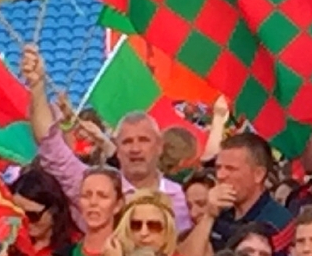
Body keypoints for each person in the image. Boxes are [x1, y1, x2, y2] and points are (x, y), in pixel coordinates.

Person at [25, 48, 191, 231]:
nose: (135, 149)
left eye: (143, 140)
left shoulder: (182, 198)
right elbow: (50, 144)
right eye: (127, 142)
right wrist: (37, 87)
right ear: (117, 149)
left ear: (159, 146)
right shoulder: (92, 187)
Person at [208, 133, 293, 254]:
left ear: (258, 174)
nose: (220, 176)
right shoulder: (218, 211)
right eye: (218, 168)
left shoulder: (277, 222)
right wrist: (208, 216)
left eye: (231, 169)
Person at [9, 169, 78, 256]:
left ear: (54, 209)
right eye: (18, 214)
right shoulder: (7, 243)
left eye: (32, 215)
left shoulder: (75, 249)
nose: (24, 220)